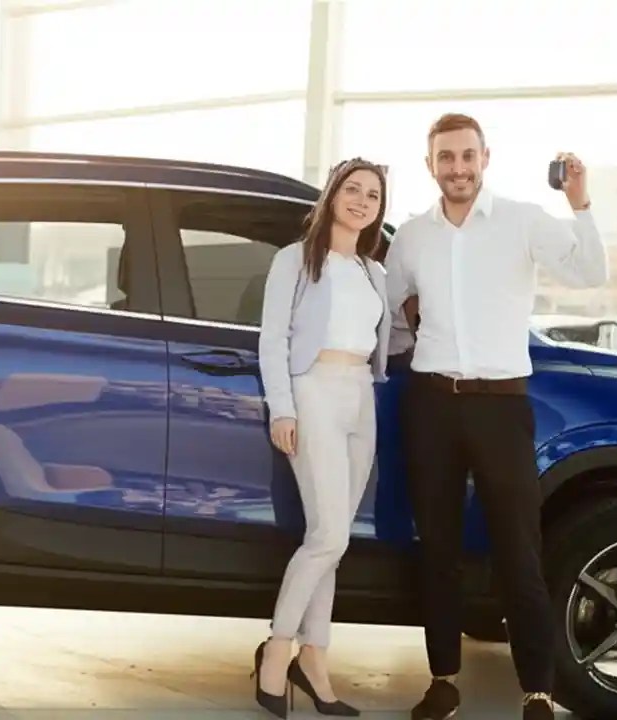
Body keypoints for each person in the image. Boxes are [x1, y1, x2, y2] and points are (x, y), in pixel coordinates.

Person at [383, 113, 608, 720]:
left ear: (486, 157)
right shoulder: (411, 237)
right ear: (430, 164)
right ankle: (443, 681)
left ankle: (537, 690)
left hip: (503, 405)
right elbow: (393, 313)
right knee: (438, 549)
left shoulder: (522, 221)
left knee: (518, 549)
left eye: (466, 155)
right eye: (446, 157)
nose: (457, 167)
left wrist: (579, 202)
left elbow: (590, 273)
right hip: (431, 403)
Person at [252, 157, 394, 718]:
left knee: (334, 540)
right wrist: (281, 408)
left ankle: (316, 657)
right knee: (328, 536)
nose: (362, 201)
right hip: (313, 390)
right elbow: (273, 337)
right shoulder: (296, 260)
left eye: (374, 196)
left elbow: (385, 337)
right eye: (353, 189)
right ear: (333, 194)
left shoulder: (373, 272)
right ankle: (277, 649)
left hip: (361, 394)